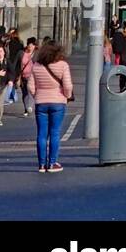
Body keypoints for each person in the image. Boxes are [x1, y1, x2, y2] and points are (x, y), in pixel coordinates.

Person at [28, 40, 74, 173]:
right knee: (54, 132)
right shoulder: (63, 65)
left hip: (40, 103)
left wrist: (37, 95)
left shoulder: (36, 65)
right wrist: (67, 95)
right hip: (58, 102)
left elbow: (30, 86)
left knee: (41, 134)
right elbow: (68, 86)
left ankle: (42, 164)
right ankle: (52, 163)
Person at [0, 28, 24, 122]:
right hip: (11, 64)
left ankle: (9, 96)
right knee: (9, 81)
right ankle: (9, 96)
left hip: (10, 64)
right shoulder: (9, 42)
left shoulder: (11, 42)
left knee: (8, 81)